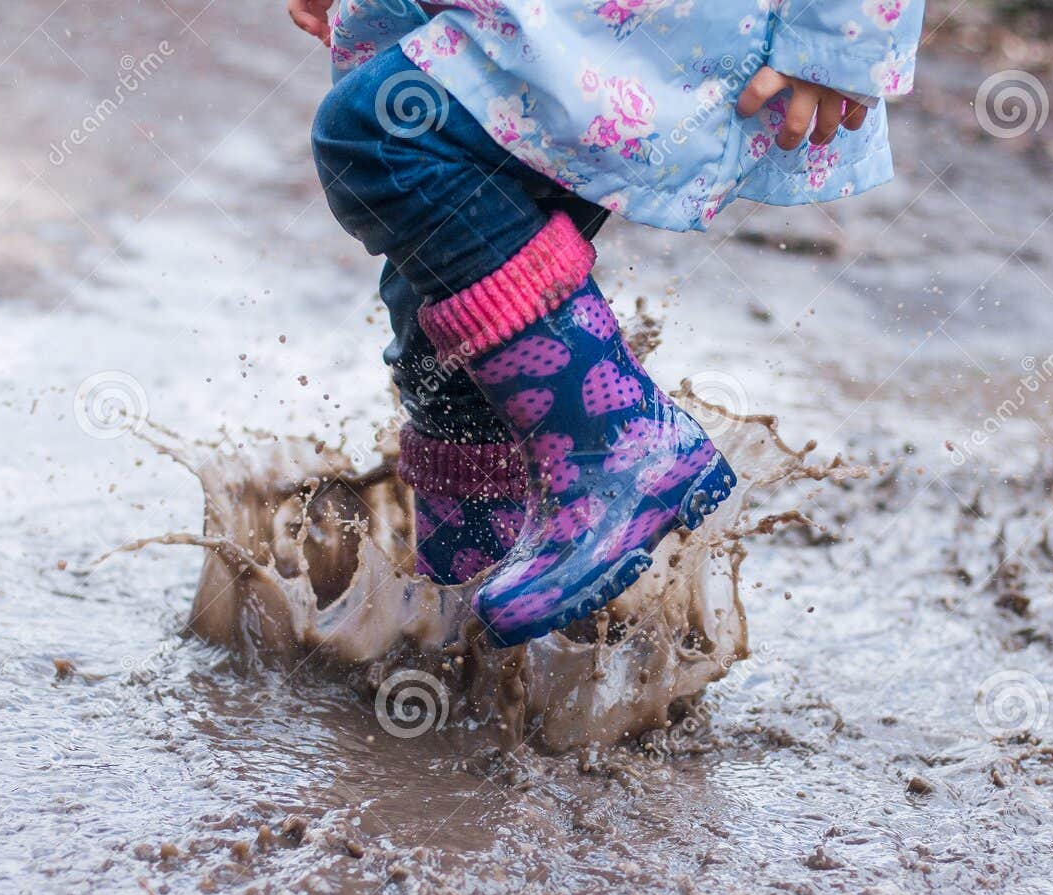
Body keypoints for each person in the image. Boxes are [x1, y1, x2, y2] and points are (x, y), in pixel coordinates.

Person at [294, 0, 923, 646]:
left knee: (375, 137)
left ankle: (618, 444)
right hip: (510, 26)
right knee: (441, 287)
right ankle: (477, 619)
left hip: (608, 33)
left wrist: (841, 41)